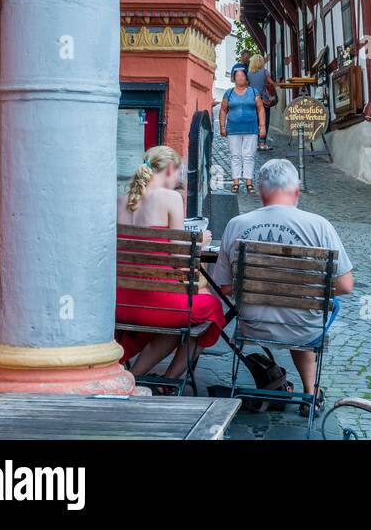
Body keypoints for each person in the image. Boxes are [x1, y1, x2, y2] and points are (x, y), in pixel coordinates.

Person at [213, 157, 354, 415]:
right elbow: (345, 285)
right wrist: (303, 288)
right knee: (305, 311)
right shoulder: (319, 226)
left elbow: (223, 288)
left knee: (291, 308)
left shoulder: (237, 225)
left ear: (259, 190)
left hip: (253, 324)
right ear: (297, 190)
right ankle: (310, 394)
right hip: (304, 329)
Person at [115, 145, 226, 386]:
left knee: (176, 318)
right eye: (178, 173)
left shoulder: (120, 201)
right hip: (158, 303)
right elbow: (180, 258)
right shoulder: (171, 198)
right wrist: (199, 241)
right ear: (169, 169)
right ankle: (169, 379)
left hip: (121, 303)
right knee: (211, 309)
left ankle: (130, 378)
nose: (178, 180)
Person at [219, 65, 266, 194]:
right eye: (237, 76)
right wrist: (222, 126)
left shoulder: (253, 92)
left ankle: (249, 182)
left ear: (246, 78)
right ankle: (236, 182)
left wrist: (262, 126)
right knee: (235, 156)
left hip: (250, 129)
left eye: (242, 76)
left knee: (249, 156)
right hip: (233, 129)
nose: (240, 78)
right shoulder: (228, 93)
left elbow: (260, 109)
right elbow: (223, 110)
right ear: (234, 78)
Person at [247, 51, 278, 150]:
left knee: (254, 122)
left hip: (252, 101)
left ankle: (254, 143)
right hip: (264, 101)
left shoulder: (248, 74)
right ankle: (262, 144)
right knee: (264, 122)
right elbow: (271, 83)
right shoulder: (265, 72)